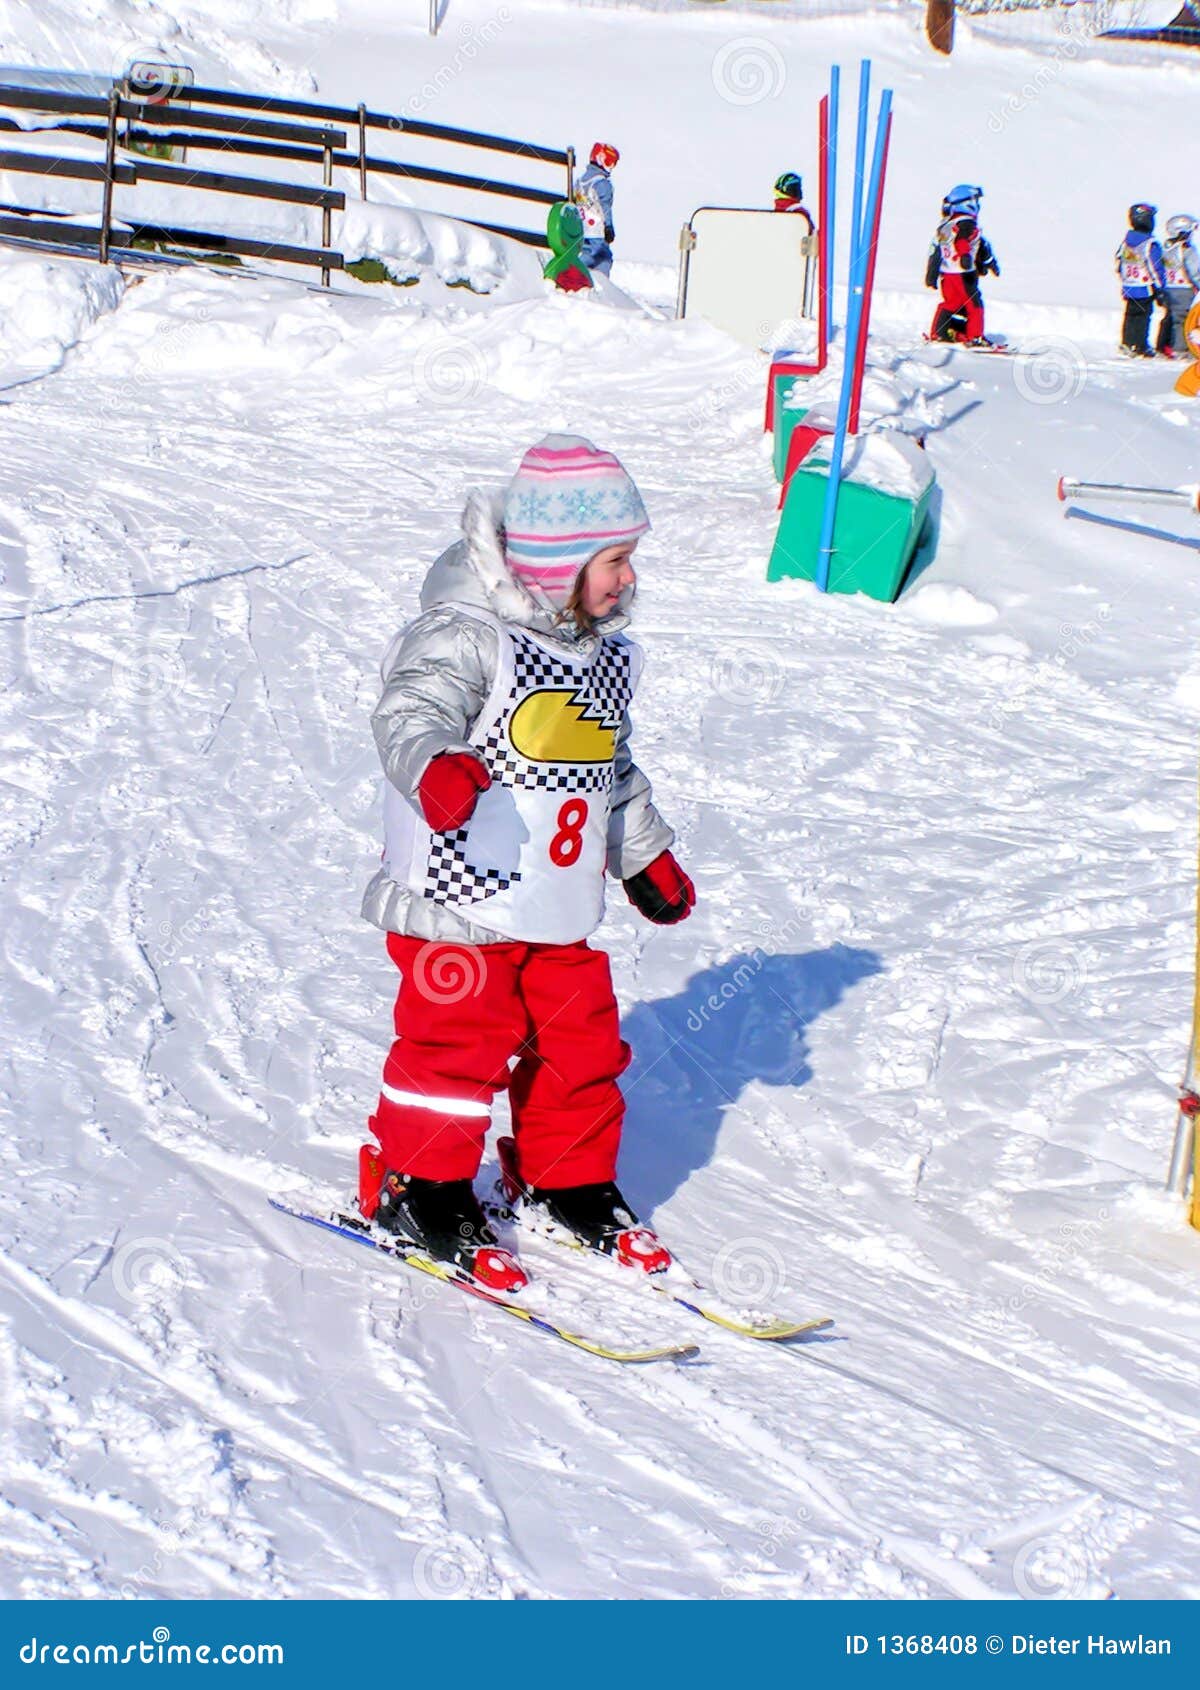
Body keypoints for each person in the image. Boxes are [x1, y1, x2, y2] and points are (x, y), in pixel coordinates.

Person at [358, 435, 694, 1290]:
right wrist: (435, 762)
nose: (627, 579)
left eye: (630, 559)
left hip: (555, 901)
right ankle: (421, 1187)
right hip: (457, 900)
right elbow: (411, 707)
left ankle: (565, 1178)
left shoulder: (599, 658)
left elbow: (606, 772)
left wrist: (644, 855)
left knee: (580, 1043)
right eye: (614, 559)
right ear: (558, 562)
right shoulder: (468, 636)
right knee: (456, 1047)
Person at [925, 186, 999, 345]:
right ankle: (975, 337)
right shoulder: (967, 223)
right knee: (975, 305)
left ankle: (939, 332)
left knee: (951, 303)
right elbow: (962, 241)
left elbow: (936, 249)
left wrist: (932, 273)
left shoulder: (946, 224)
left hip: (947, 273)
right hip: (963, 273)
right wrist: (965, 256)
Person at [1116, 203, 1166, 357]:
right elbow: (1155, 267)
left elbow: (1119, 261)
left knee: (1130, 315)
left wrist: (1124, 278)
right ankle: (1139, 345)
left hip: (1129, 285)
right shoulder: (1149, 244)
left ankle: (1127, 342)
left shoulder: (1126, 242)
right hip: (1144, 287)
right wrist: (1160, 288)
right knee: (1143, 317)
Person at [1157, 214, 1200, 358]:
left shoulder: (1166, 248)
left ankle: (1164, 345)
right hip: (1184, 290)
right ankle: (1180, 349)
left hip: (1169, 289)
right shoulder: (1187, 250)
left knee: (1171, 318)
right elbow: (1195, 272)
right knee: (1183, 320)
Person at [576, 141, 619, 277]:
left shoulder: (580, 182)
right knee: (603, 259)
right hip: (597, 232)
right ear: (600, 158)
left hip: (582, 229)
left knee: (588, 254)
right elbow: (605, 207)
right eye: (609, 161)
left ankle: (578, 274)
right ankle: (599, 289)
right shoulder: (602, 183)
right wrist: (608, 227)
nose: (611, 167)